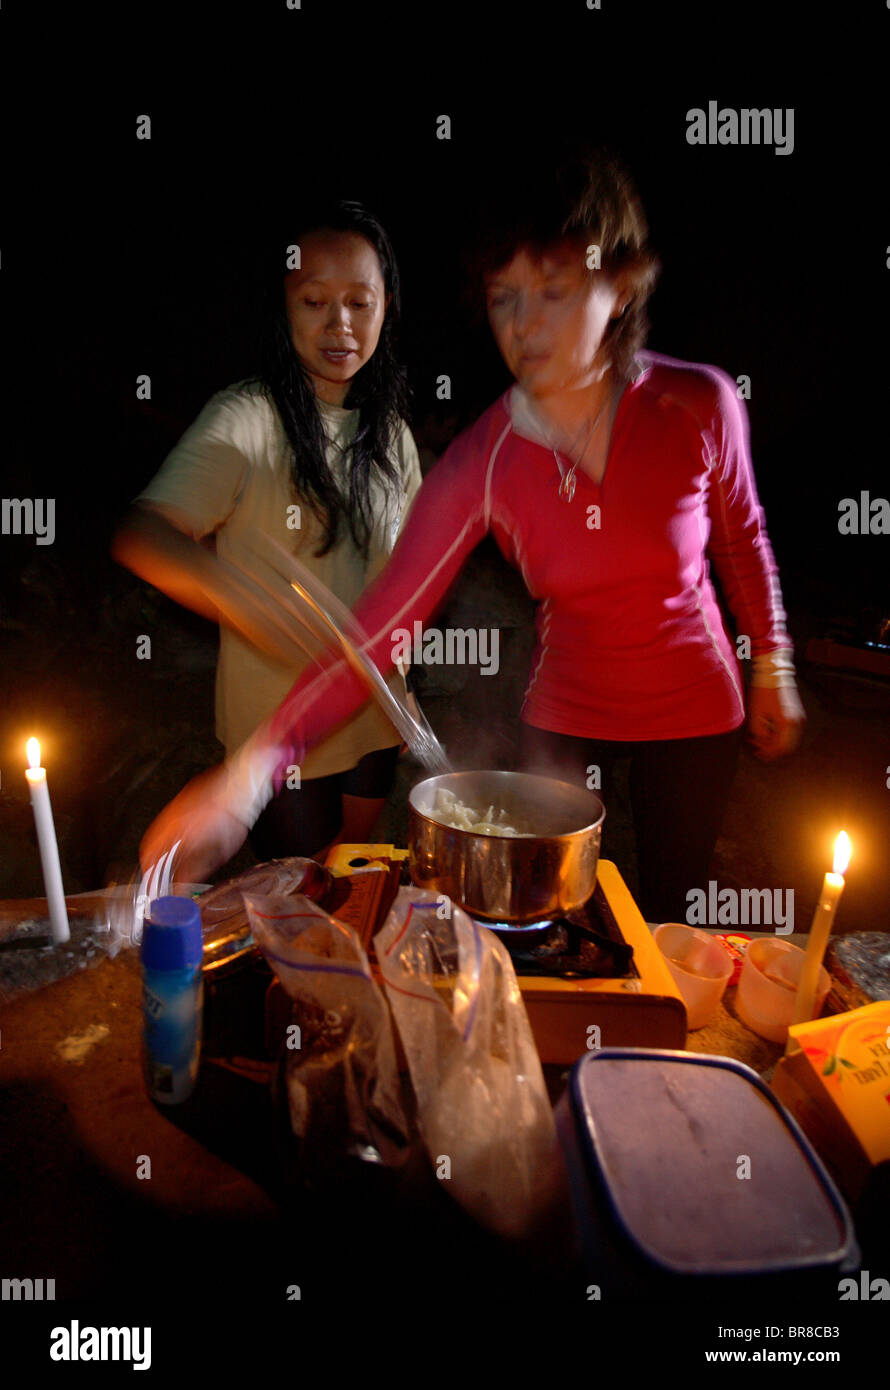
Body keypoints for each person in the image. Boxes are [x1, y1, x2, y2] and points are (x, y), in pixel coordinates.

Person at [140, 150, 805, 922]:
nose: (524, 328)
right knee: (543, 909)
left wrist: (774, 661)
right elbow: (378, 632)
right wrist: (247, 776)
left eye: (554, 293)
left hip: (695, 702)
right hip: (567, 707)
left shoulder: (699, 405)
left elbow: (743, 537)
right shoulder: (486, 458)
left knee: (671, 912)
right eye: (504, 299)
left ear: (620, 287)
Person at [114, 200, 423, 860]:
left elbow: (412, 571)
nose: (339, 323)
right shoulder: (245, 418)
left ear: (385, 307)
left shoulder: (393, 435)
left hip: (375, 715)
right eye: (314, 301)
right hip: (279, 737)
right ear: (284, 306)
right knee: (299, 896)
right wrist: (234, 594)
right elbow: (143, 531)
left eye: (359, 302)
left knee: (350, 871)